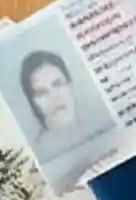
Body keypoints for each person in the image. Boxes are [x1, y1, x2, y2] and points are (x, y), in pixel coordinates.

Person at [18, 51, 113, 191]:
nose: (54, 96)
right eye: (41, 93)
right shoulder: (40, 156)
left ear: (70, 85)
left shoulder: (102, 124)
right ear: (33, 103)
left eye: (57, 84)